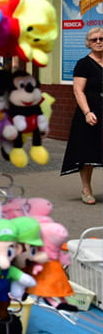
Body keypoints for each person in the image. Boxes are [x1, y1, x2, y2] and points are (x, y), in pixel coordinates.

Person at [61, 27, 103, 205]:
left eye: (102, 38)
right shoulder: (83, 64)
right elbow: (78, 91)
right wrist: (87, 112)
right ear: (89, 43)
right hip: (91, 111)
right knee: (88, 152)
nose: (99, 42)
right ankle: (86, 189)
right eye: (94, 39)